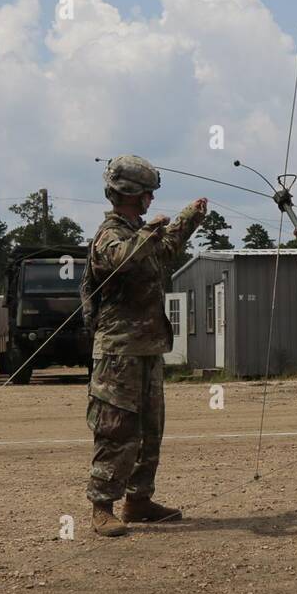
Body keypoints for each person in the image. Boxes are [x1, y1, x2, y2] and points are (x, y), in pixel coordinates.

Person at [82, 154, 207, 537]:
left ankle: (138, 500)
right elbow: (122, 259)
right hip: (118, 352)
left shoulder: (139, 231)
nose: (151, 200)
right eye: (147, 194)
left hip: (147, 348)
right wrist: (150, 231)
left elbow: (163, 251)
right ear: (131, 195)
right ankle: (102, 506)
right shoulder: (111, 234)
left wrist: (189, 219)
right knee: (117, 429)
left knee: (151, 430)